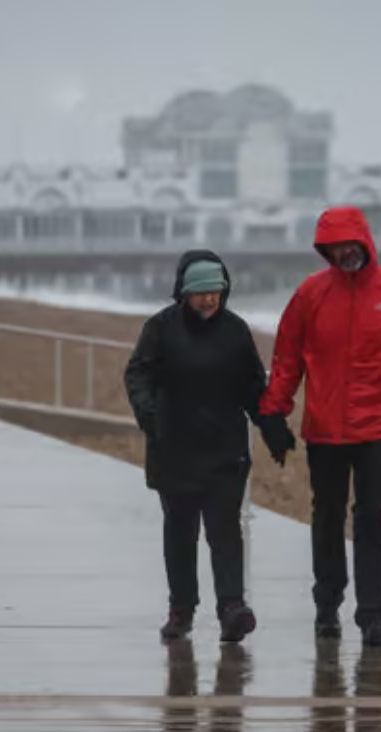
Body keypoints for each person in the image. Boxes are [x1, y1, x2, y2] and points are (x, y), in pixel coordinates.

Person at [258, 206, 381, 647]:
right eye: (334, 247)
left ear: (365, 242)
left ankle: (374, 616)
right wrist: (273, 414)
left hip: (377, 428)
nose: (344, 252)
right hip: (324, 428)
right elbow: (287, 358)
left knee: (373, 518)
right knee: (326, 515)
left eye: (349, 244)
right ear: (325, 250)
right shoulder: (311, 294)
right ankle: (327, 605)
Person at [126, 249, 290, 643]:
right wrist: (149, 416)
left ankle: (232, 608)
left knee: (225, 531)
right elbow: (138, 375)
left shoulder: (235, 331)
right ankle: (181, 610)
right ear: (184, 293)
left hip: (224, 450)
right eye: (201, 292)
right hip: (174, 448)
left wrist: (272, 427)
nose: (209, 299)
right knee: (180, 534)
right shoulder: (160, 329)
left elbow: (253, 387)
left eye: (215, 291)